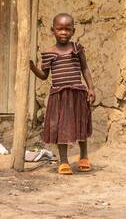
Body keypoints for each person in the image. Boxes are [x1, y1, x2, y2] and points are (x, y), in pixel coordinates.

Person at [28, 12, 96, 175]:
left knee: (80, 124)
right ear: (53, 30)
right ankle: (64, 161)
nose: (64, 32)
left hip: (77, 94)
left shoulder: (76, 49)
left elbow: (84, 69)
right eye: (60, 29)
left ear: (73, 30)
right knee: (61, 128)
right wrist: (33, 68)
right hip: (58, 96)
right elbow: (44, 76)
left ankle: (84, 156)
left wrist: (91, 88)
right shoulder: (49, 53)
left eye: (67, 29)